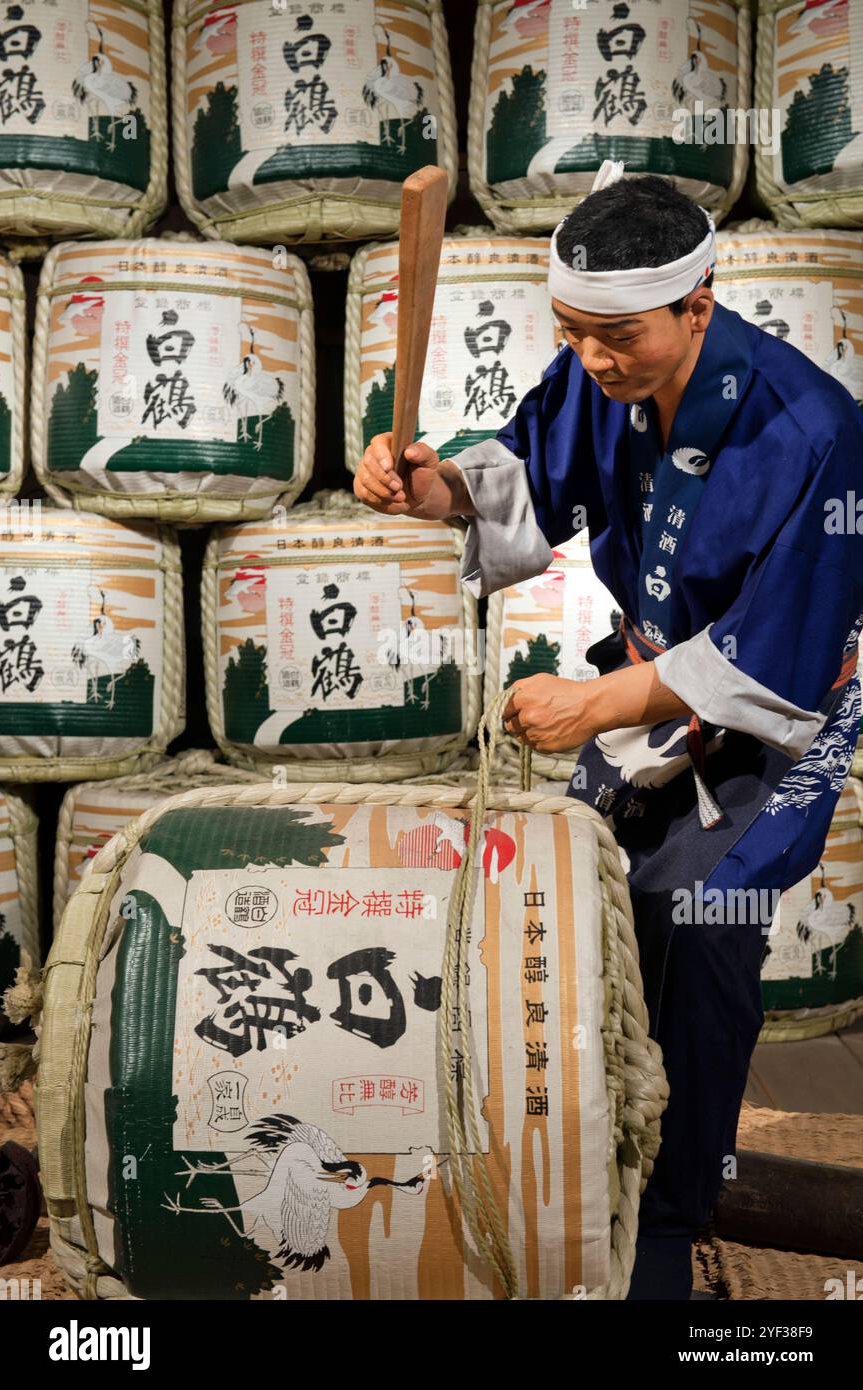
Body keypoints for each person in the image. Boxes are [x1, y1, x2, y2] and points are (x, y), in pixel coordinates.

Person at [353, 162, 863, 1299]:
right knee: (578, 922)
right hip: (643, 688)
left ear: (699, 304)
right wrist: (424, 484)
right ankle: (575, 1166)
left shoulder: (821, 432)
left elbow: (777, 655)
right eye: (571, 334)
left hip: (767, 727)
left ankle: (673, 1222)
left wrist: (591, 705)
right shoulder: (607, 372)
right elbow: (525, 483)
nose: (592, 361)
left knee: (694, 922)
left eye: (615, 336)